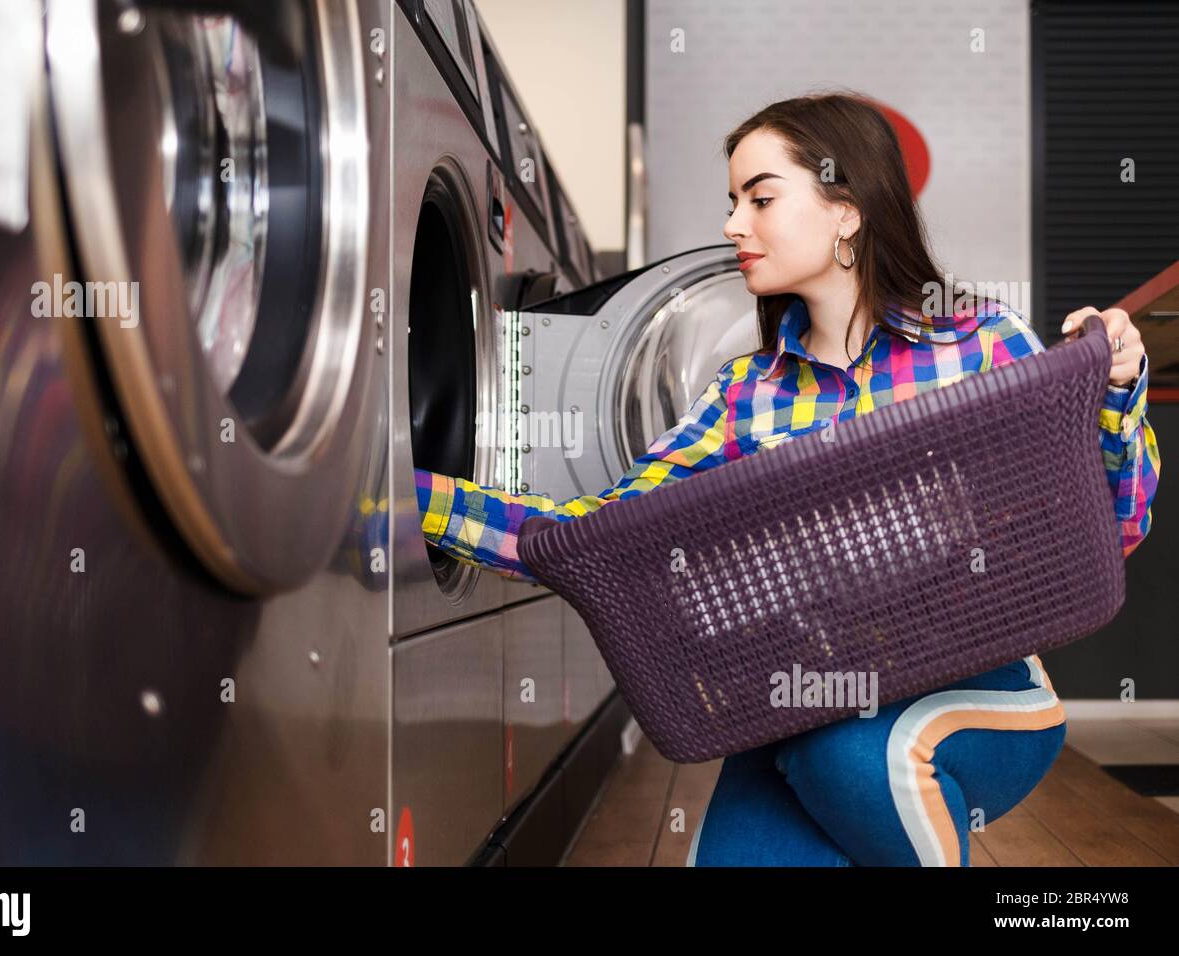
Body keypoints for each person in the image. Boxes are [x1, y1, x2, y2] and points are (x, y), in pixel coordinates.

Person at [414, 92, 1160, 866]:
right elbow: (598, 533)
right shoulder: (746, 396)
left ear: (848, 210)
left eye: (761, 198)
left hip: (980, 692)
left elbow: (1118, 521)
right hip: (799, 702)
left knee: (850, 758)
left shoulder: (979, 342)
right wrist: (414, 500)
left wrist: (1114, 391)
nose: (735, 225)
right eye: (734, 202)